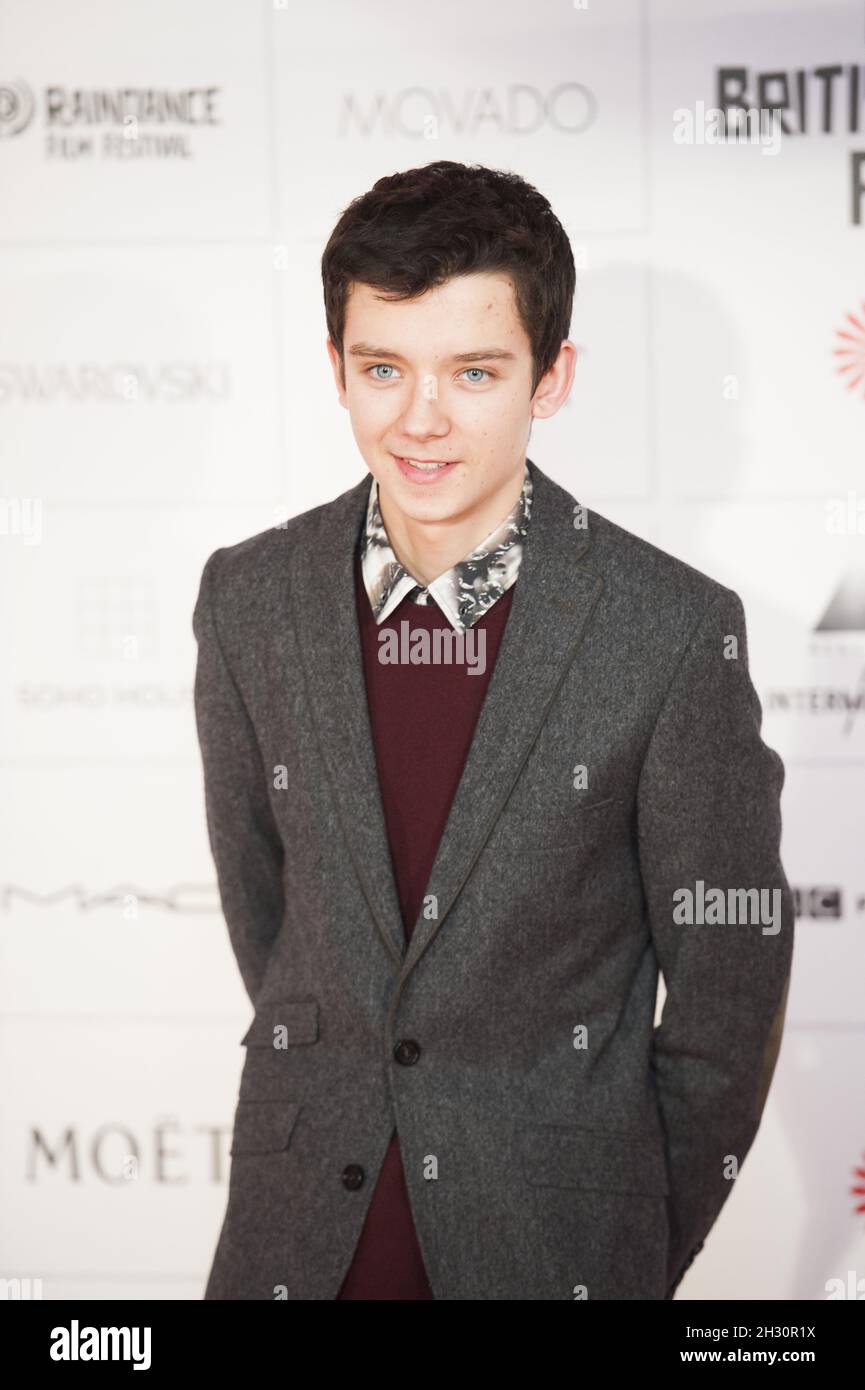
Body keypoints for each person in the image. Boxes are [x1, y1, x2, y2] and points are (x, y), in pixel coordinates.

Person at [192, 159, 794, 1300]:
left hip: (551, 1256)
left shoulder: (671, 632)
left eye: (474, 371)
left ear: (550, 377)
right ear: (336, 371)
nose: (422, 418)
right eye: (384, 368)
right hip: (293, 1245)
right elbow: (271, 916)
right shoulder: (249, 598)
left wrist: (623, 1241)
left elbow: (727, 994)